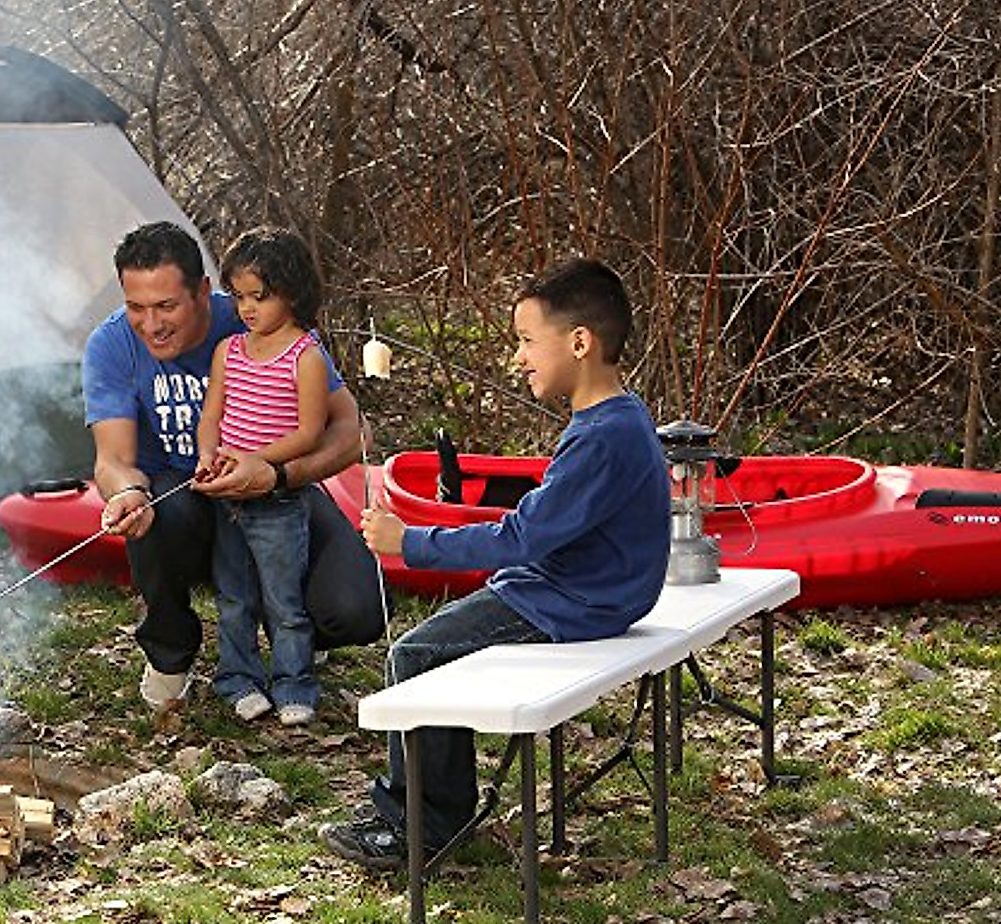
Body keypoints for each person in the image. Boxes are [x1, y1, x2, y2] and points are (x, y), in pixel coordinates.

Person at [320, 256, 670, 870]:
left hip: (574, 603)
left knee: (416, 655)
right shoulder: (617, 417)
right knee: (443, 641)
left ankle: (423, 826)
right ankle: (434, 812)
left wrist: (411, 543)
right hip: (584, 591)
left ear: (580, 342)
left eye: (528, 341)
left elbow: (521, 539)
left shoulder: (602, 436)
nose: (519, 358)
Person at [81, 221, 384, 726]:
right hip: (183, 505)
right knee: (155, 505)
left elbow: (355, 432)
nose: (151, 324)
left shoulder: (259, 319)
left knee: (357, 611)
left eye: (166, 307)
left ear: (203, 292)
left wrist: (277, 474)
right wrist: (126, 493)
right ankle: (172, 651)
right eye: (137, 307)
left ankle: (288, 632)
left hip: (278, 494)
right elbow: (113, 460)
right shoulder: (111, 345)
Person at [193, 227, 329, 727]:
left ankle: (294, 683)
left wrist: (257, 462)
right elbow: (212, 416)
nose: (247, 308)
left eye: (259, 297)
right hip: (226, 495)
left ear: (291, 293)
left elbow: (310, 432)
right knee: (234, 596)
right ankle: (238, 678)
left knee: (284, 600)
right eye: (239, 295)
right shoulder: (229, 351)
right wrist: (210, 454)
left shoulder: (306, 357)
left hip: (276, 501)